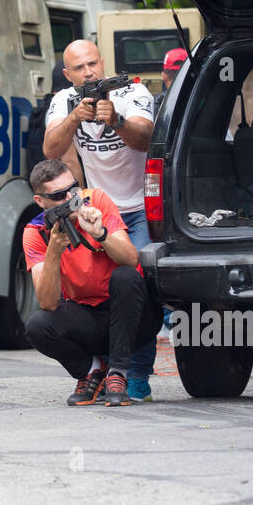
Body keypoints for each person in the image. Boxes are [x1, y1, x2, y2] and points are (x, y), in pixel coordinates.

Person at [42, 39, 159, 401]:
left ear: (102, 62)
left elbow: (147, 138)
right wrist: (75, 118)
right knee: (104, 293)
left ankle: (137, 375)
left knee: (137, 287)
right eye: (79, 68)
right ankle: (109, 370)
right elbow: (51, 149)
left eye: (93, 63)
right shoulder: (63, 101)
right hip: (98, 208)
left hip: (139, 208)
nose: (89, 72)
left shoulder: (131, 91)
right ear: (68, 74)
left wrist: (118, 120)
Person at [22, 159, 162, 407]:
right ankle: (93, 371)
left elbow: (131, 259)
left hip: (134, 315)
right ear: (40, 202)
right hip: (89, 317)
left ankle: (118, 373)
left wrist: (100, 234)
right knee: (38, 326)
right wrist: (54, 250)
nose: (70, 198)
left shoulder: (96, 199)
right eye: (58, 195)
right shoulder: (35, 232)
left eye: (73, 189)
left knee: (126, 276)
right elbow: (48, 302)